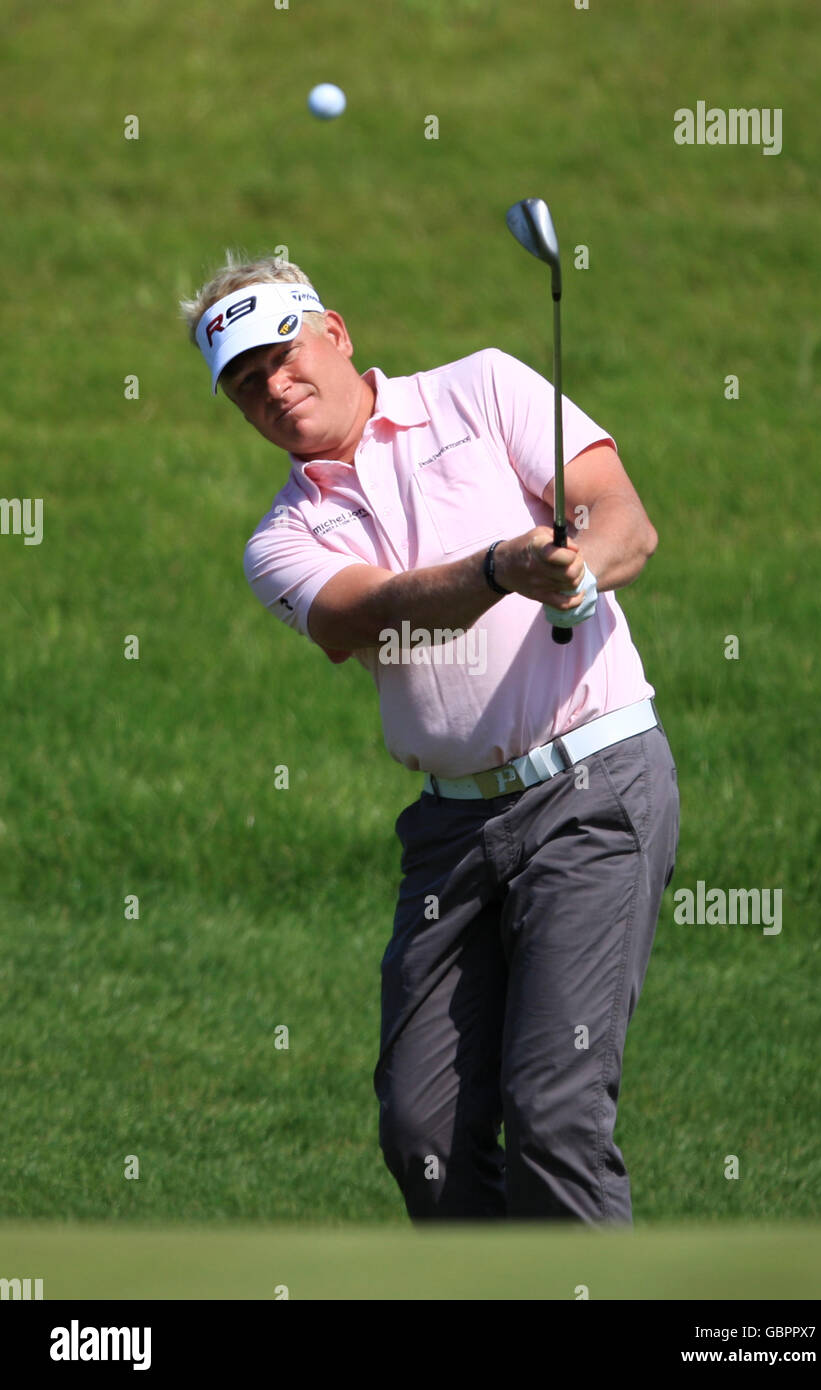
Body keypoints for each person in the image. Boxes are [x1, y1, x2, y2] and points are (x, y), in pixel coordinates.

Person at [180, 254, 680, 1224]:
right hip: (452, 832)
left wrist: (584, 567)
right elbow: (377, 611)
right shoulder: (281, 540)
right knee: (424, 1135)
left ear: (334, 331)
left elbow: (619, 517)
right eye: (244, 382)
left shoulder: (482, 385)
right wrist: (499, 566)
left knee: (553, 1117)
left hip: (593, 787)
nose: (273, 388)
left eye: (281, 355)